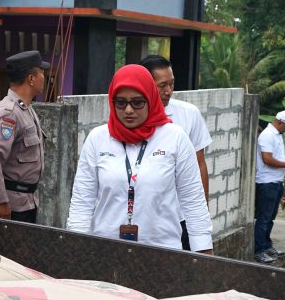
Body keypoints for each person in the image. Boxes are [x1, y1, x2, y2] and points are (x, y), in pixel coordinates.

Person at [66, 64, 213, 253]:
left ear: (150, 99)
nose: (128, 110)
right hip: (105, 252)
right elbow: (82, 201)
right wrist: (75, 250)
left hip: (163, 253)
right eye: (121, 102)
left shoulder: (175, 138)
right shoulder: (97, 139)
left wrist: (204, 251)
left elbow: (193, 201)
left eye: (137, 102)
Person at [140, 55, 212, 250]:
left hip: (182, 215)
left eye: (171, 84)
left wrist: (202, 213)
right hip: (144, 218)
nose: (169, 91)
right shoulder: (129, 118)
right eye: (162, 85)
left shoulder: (189, 114)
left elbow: (200, 163)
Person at [0, 50, 50, 223]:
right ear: (31, 78)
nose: (44, 78)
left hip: (25, 203)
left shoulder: (26, 109)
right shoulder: (9, 113)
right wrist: (0, 202)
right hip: (10, 207)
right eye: (41, 73)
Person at [254, 110, 285, 263]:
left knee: (270, 218)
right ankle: (258, 250)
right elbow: (267, 159)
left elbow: (278, 157)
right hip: (267, 182)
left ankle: (266, 245)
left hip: (276, 181)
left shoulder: (277, 135)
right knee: (264, 218)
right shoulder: (267, 135)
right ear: (280, 122)